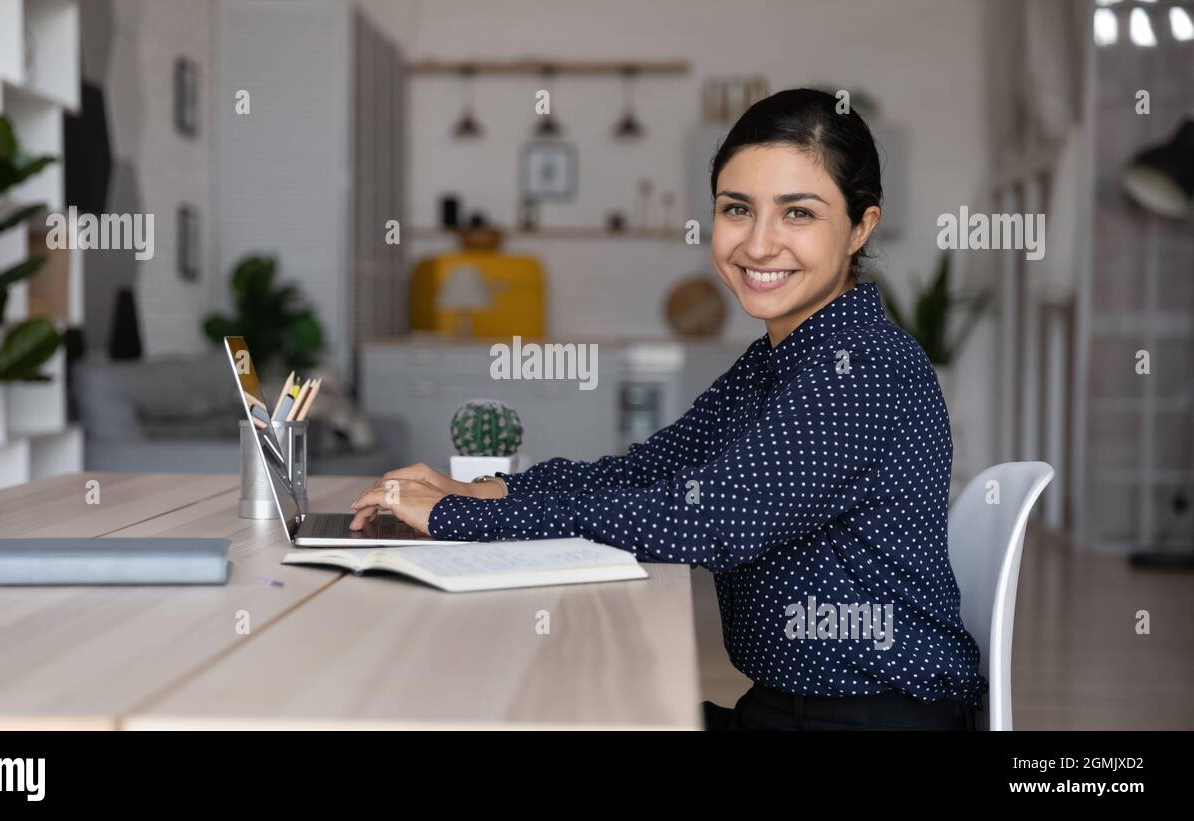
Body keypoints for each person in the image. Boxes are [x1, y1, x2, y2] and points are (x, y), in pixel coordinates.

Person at [350, 88, 985, 731]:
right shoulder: (776, 360)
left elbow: (709, 520)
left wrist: (460, 518)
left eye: (798, 214)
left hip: (875, 720)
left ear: (860, 227)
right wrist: (487, 491)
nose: (759, 245)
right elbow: (648, 472)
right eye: (738, 209)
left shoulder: (864, 367)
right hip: (788, 710)